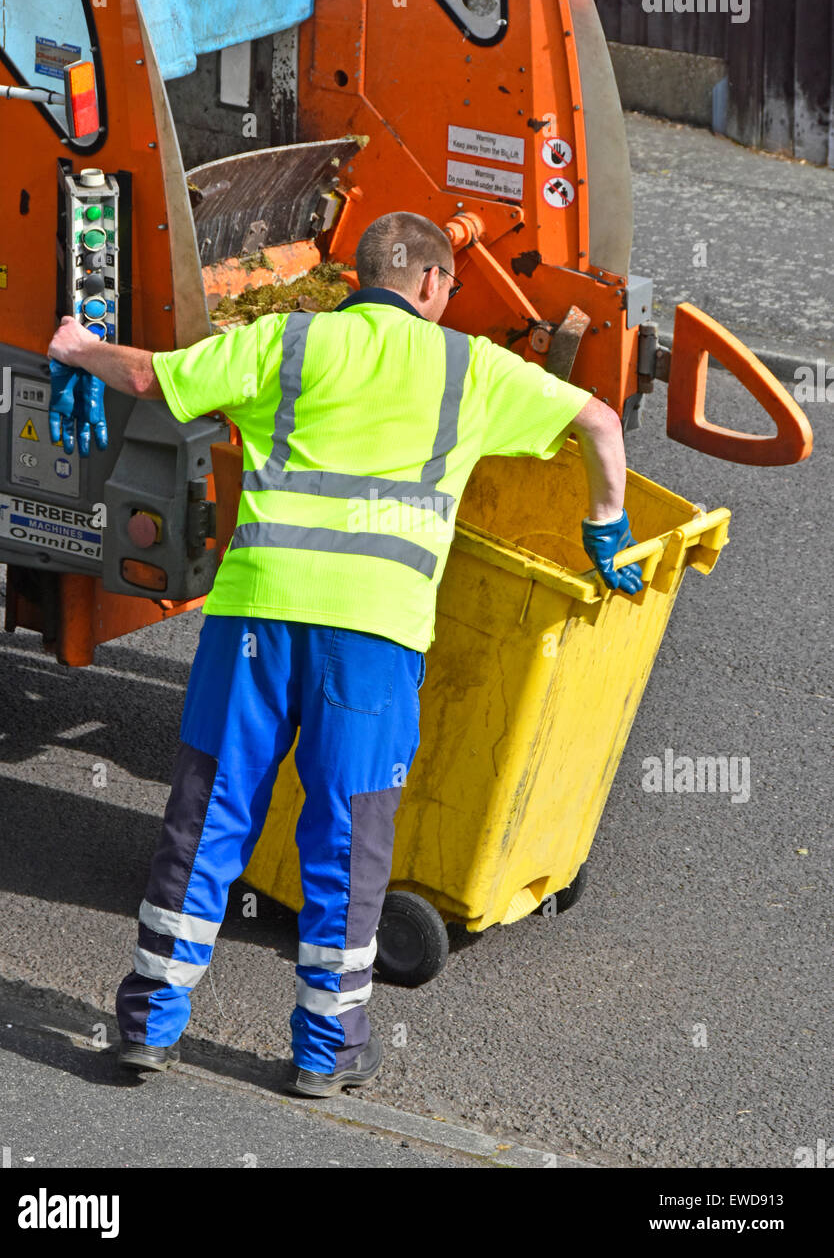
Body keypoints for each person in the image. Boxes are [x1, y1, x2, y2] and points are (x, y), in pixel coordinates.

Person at [46, 210, 641, 1098]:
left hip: (255, 617)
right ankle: (326, 1053)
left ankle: (147, 1027)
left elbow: (149, 377)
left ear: (357, 276)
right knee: (347, 833)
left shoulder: (284, 344)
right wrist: (607, 528)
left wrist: (75, 344)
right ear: (435, 285)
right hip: (374, 633)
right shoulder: (470, 369)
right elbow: (598, 421)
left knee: (209, 814)